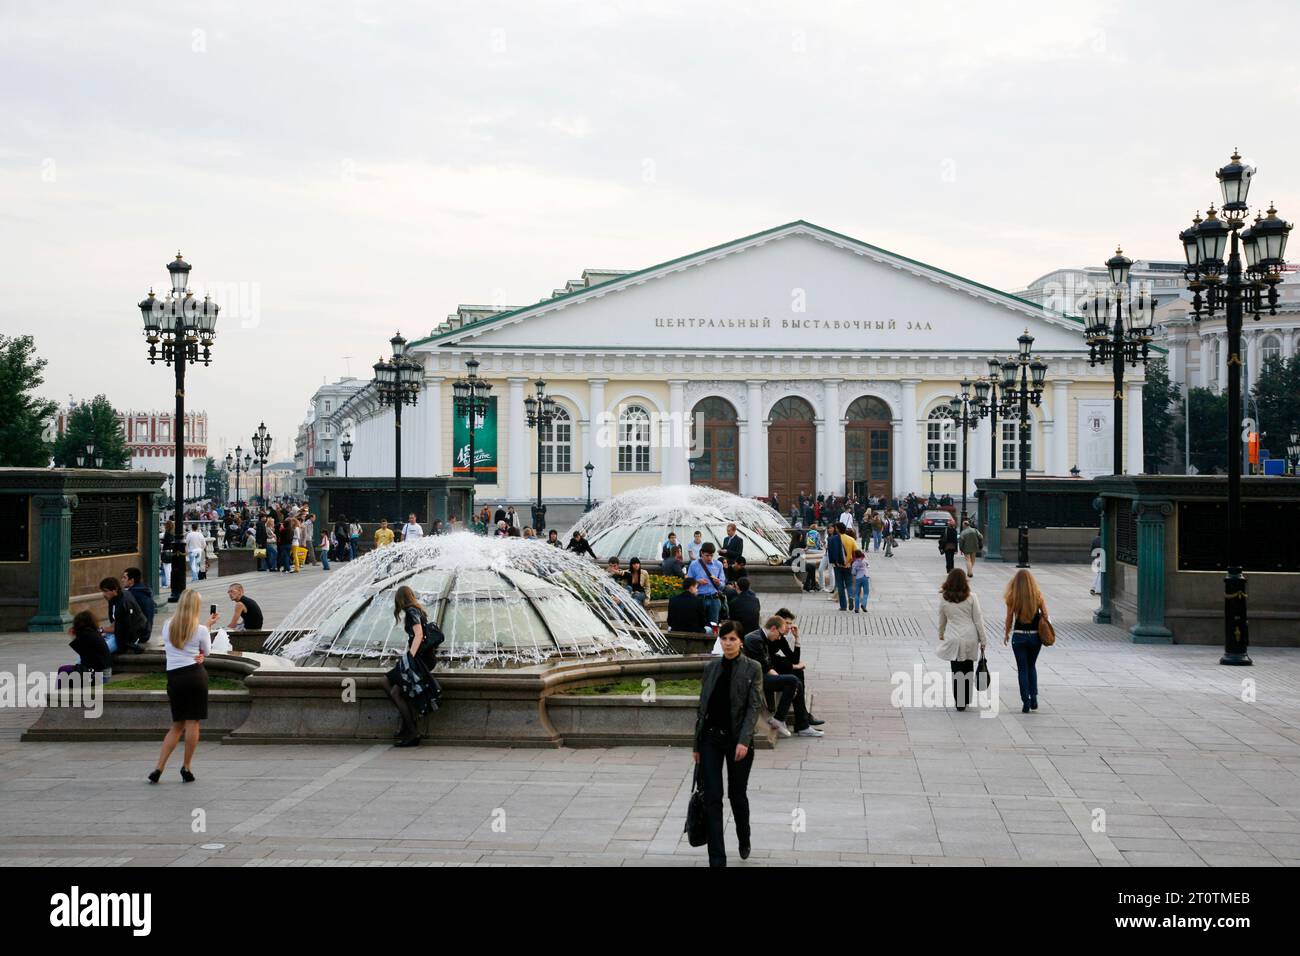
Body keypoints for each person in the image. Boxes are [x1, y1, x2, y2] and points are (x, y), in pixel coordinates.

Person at [693, 620, 762, 867]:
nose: (727, 643)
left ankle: (744, 836)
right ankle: (717, 859)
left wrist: (744, 741)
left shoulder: (752, 668)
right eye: (724, 639)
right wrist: (696, 746)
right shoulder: (711, 668)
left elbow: (754, 707)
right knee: (712, 797)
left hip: (737, 741)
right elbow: (702, 708)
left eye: (732, 639)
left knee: (736, 795)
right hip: (711, 738)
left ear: (740, 641)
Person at [148, 588, 210, 784]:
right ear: (196, 607)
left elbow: (178, 643)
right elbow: (206, 651)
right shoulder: (201, 630)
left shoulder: (167, 626)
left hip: (175, 678)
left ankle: (159, 767)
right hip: (195, 675)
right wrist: (208, 627)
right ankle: (186, 766)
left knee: (176, 726)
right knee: (193, 723)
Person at [383, 585, 444, 747]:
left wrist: (410, 656)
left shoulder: (411, 612)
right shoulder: (418, 609)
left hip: (419, 660)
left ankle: (412, 731)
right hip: (424, 658)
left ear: (400, 599)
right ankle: (408, 726)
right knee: (395, 689)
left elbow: (419, 635)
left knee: (389, 684)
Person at [743, 616, 820, 738]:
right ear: (773, 628)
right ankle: (779, 719)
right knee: (793, 680)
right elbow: (766, 667)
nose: (779, 638)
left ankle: (803, 726)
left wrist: (797, 638)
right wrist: (785, 681)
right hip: (754, 679)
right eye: (779, 634)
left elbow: (770, 664)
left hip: (762, 675)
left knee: (796, 681)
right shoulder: (755, 639)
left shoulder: (762, 637)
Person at [937, 569, 986, 711]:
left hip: (953, 637)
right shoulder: (972, 597)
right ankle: (966, 698)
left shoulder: (944, 598)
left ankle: (959, 701)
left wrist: (941, 633)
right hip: (970, 636)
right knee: (968, 667)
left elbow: (942, 619)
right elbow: (978, 619)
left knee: (956, 669)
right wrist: (983, 639)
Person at [1003, 569, 1047, 714]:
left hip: (1019, 636)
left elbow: (1009, 617)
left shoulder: (1012, 597)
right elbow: (1046, 615)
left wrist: (1006, 633)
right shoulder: (1038, 596)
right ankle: (1034, 697)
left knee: (1022, 669)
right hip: (1035, 637)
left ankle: (1025, 701)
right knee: (1031, 666)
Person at [772, 608, 824, 726]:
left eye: (790, 623)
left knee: (798, 673)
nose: (789, 627)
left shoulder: (781, 639)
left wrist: (797, 638)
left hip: (774, 666)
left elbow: (794, 658)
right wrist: (793, 666)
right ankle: (803, 718)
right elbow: (771, 659)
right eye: (787, 623)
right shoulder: (772, 636)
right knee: (796, 674)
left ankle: (803, 717)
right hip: (768, 671)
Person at [59, 609, 113, 686]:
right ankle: (61, 694)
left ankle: (60, 695)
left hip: (98, 676)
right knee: (66, 671)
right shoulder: (93, 633)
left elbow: (83, 655)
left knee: (63, 671)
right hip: (102, 673)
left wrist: (74, 637)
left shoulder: (86, 635)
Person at [100, 576, 148, 654]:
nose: (104, 594)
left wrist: (101, 630)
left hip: (128, 639)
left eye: (106, 591)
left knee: (98, 651)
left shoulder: (123, 604)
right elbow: (117, 621)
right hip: (122, 635)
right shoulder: (117, 598)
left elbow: (120, 628)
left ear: (114, 590)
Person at [687, 542, 726, 625]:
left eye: (711, 555)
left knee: (714, 627)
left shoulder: (718, 565)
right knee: (699, 625)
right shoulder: (694, 565)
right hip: (699, 599)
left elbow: (722, 586)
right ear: (702, 553)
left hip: (714, 599)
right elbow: (688, 584)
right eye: (707, 555)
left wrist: (719, 583)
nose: (709, 558)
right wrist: (697, 582)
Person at [122, 567, 156, 640]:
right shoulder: (144, 590)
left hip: (138, 635)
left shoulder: (132, 594)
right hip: (146, 633)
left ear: (131, 580)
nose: (122, 580)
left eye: (124, 578)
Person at [826, 522, 851, 611]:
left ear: (837, 529)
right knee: (849, 583)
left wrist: (833, 563)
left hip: (837, 565)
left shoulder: (831, 539)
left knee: (840, 585)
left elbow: (830, 553)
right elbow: (856, 552)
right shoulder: (850, 539)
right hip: (848, 565)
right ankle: (850, 597)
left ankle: (843, 606)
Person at [160, 520, 175, 588]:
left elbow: (167, 543)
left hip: (166, 552)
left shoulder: (167, 533)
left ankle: (168, 584)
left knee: (167, 569)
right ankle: (171, 583)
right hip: (171, 552)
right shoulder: (173, 533)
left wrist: (162, 543)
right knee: (170, 569)